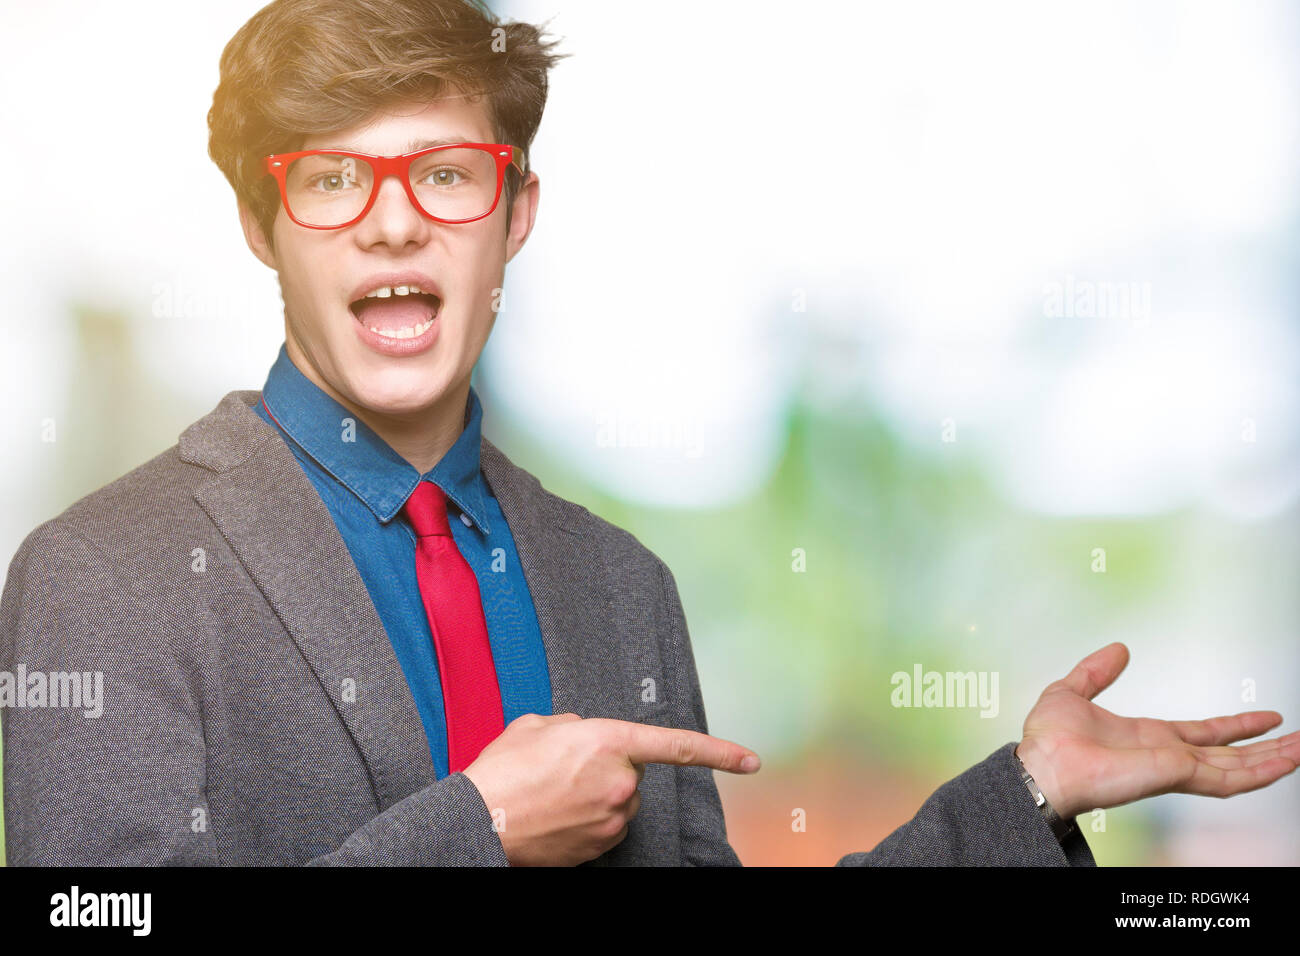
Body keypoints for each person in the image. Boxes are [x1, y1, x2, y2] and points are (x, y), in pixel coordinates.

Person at [2, 0, 1295, 867]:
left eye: (446, 175)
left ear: (514, 216)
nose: (394, 224)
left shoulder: (622, 590)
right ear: (258, 228)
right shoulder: (98, 578)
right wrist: (480, 831)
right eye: (334, 179)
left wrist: (1020, 794)